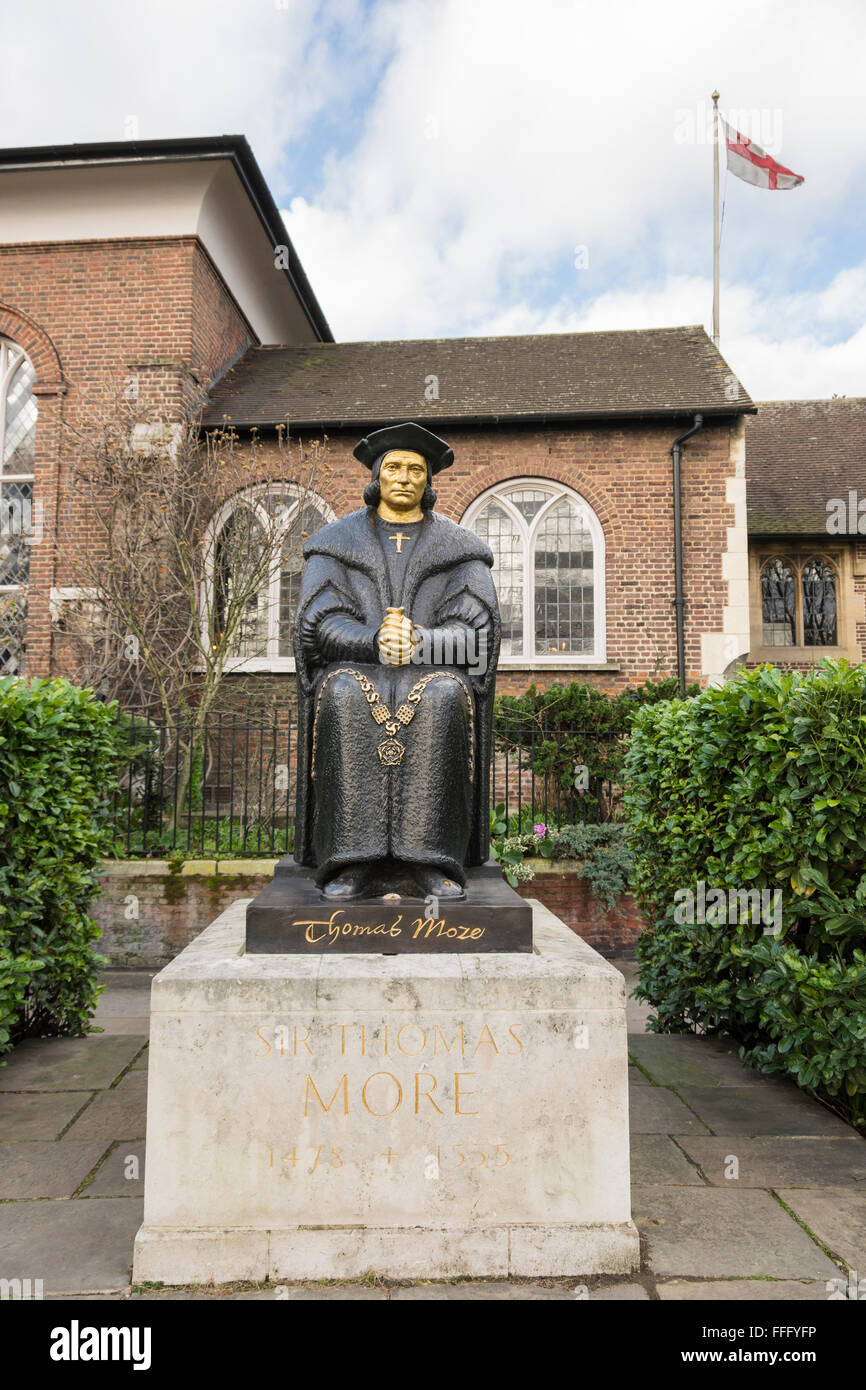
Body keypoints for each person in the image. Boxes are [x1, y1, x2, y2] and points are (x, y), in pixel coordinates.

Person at [292, 421, 500, 901]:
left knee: (445, 694)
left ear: (429, 481)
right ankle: (351, 860)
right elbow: (316, 624)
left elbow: (477, 632)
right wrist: (373, 643)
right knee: (343, 692)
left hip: (433, 670)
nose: (404, 477)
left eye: (415, 469)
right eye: (393, 468)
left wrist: (422, 642)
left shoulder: (461, 549)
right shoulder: (334, 544)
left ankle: (429, 861)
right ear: (376, 477)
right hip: (357, 666)